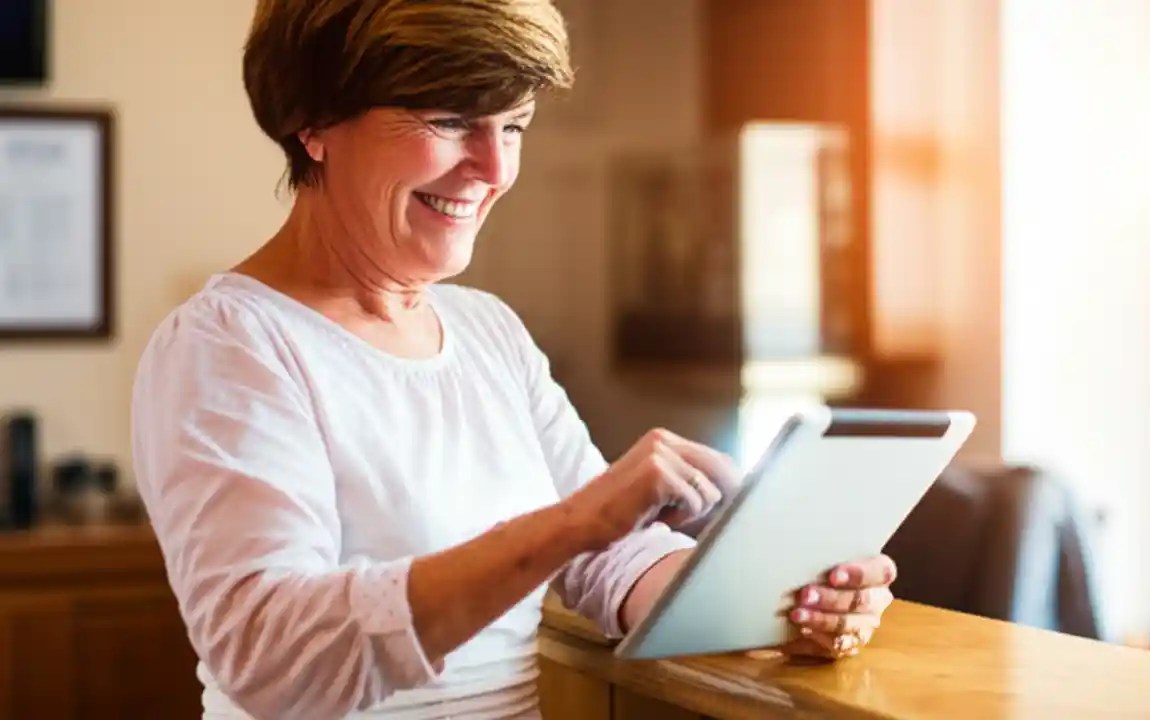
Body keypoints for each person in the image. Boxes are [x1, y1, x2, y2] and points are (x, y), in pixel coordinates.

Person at [130, 1, 897, 718]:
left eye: (516, 126)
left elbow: (610, 559)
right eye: (450, 121)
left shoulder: (486, 332)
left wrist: (782, 600)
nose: (494, 169)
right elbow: (270, 660)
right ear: (311, 121)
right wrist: (569, 525)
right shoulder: (230, 346)